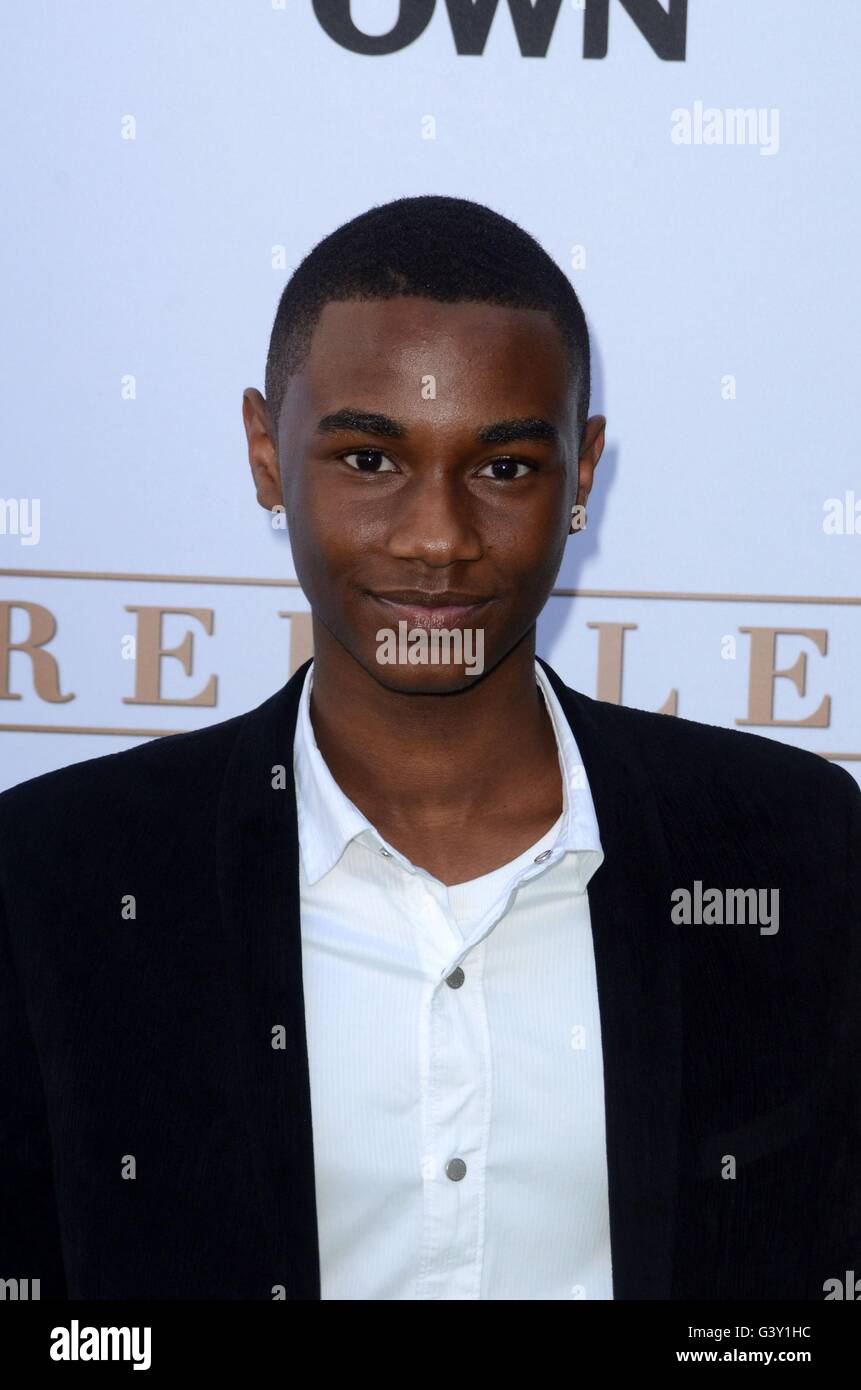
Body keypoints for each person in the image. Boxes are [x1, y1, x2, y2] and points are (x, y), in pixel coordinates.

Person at [1, 196, 858, 1301]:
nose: (438, 538)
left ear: (584, 471)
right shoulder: (67, 871)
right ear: (266, 454)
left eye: (503, 468)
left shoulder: (783, 849)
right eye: (369, 457)